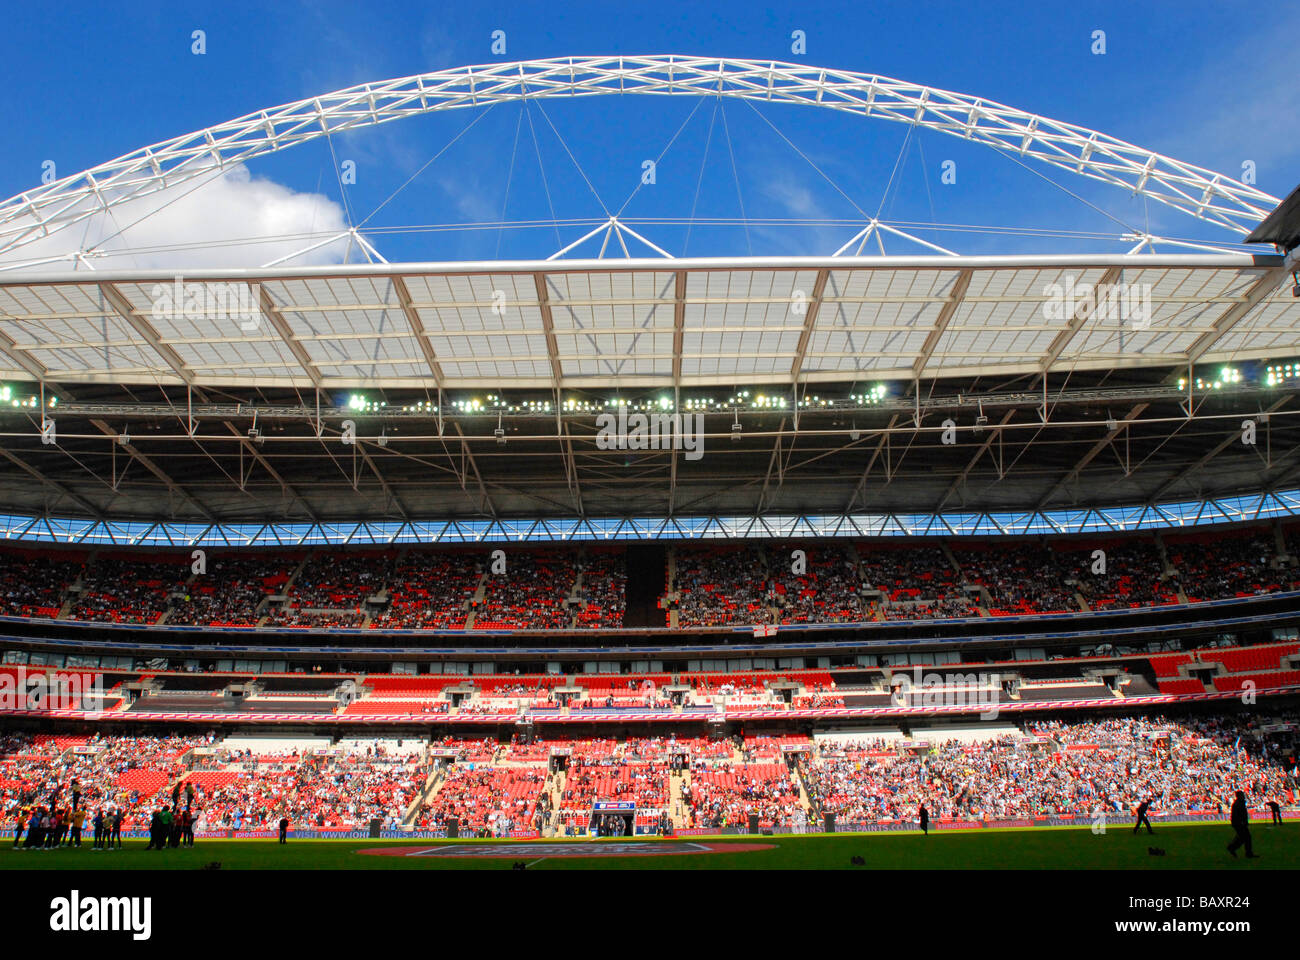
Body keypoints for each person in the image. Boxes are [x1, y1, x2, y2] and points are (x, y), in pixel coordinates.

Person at [1227, 790, 1257, 859]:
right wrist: (1243, 822)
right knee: (1246, 837)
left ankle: (1232, 848)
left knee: (1243, 837)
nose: (1243, 796)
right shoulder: (1238, 803)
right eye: (1242, 795)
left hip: (1239, 823)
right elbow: (1239, 814)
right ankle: (1246, 852)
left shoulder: (1239, 803)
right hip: (1239, 823)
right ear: (1239, 796)